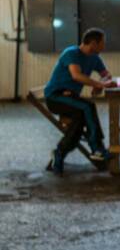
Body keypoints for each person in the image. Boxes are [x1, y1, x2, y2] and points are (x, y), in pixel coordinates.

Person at [44, 28, 113, 174]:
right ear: (93, 43)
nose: (104, 46)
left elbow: (106, 75)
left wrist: (101, 83)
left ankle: (59, 154)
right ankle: (97, 148)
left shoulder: (94, 57)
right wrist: (98, 84)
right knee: (87, 107)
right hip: (56, 97)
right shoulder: (72, 53)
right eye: (102, 43)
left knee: (79, 122)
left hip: (71, 98)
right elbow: (76, 75)